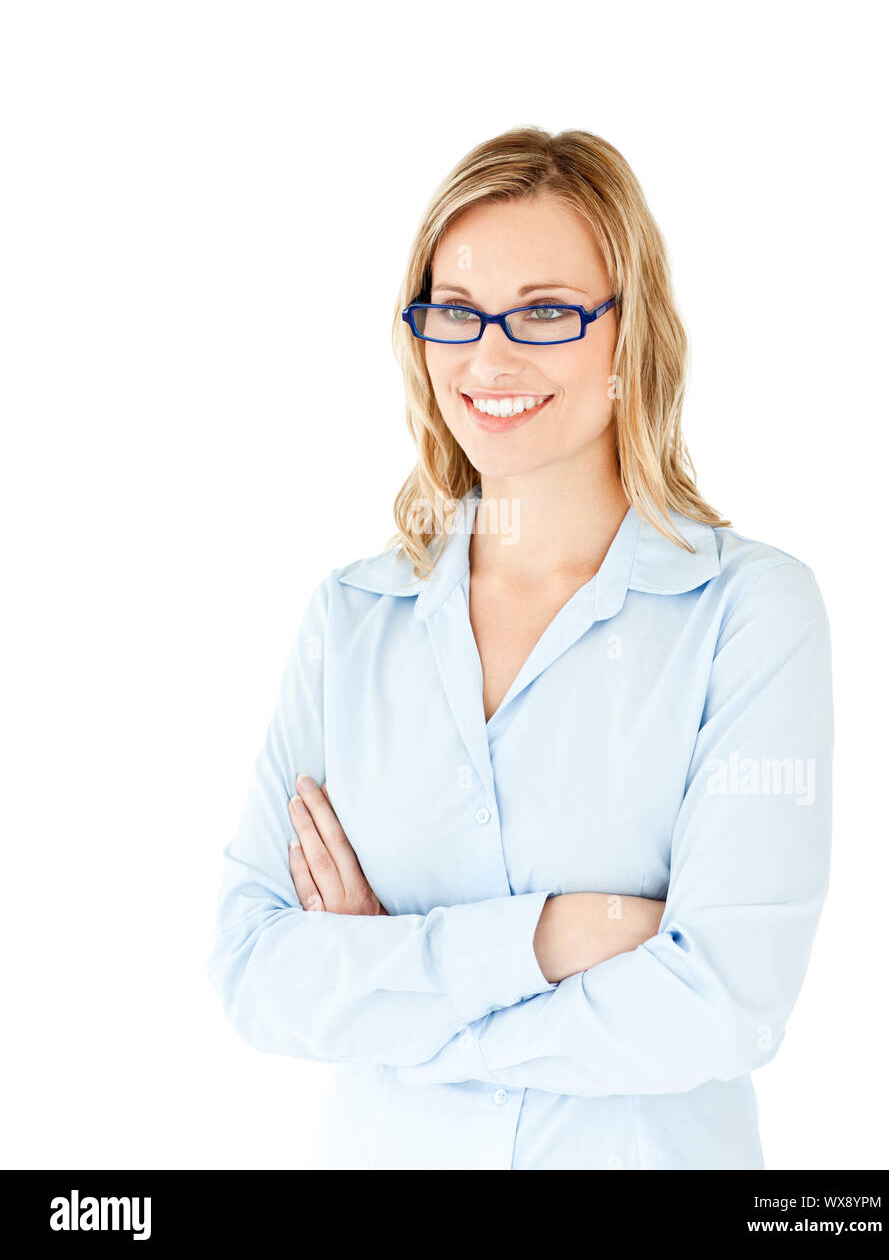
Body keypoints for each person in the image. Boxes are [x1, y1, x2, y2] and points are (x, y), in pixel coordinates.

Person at [207, 126, 833, 1170]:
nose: (488, 357)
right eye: (454, 312)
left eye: (544, 311)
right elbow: (251, 970)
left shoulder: (749, 612)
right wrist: (544, 942)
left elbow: (721, 1002)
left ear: (628, 341)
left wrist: (388, 984)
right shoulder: (352, 619)